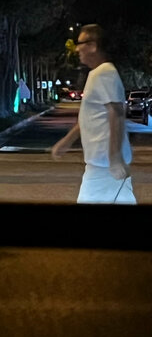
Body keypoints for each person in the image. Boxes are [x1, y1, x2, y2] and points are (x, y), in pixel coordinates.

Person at [50, 24, 136, 204]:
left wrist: (115, 158)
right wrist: (66, 142)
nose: (77, 48)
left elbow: (117, 113)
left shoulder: (104, 73)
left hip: (105, 166)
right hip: (102, 165)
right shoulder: (96, 74)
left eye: (80, 43)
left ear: (93, 45)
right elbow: (88, 118)